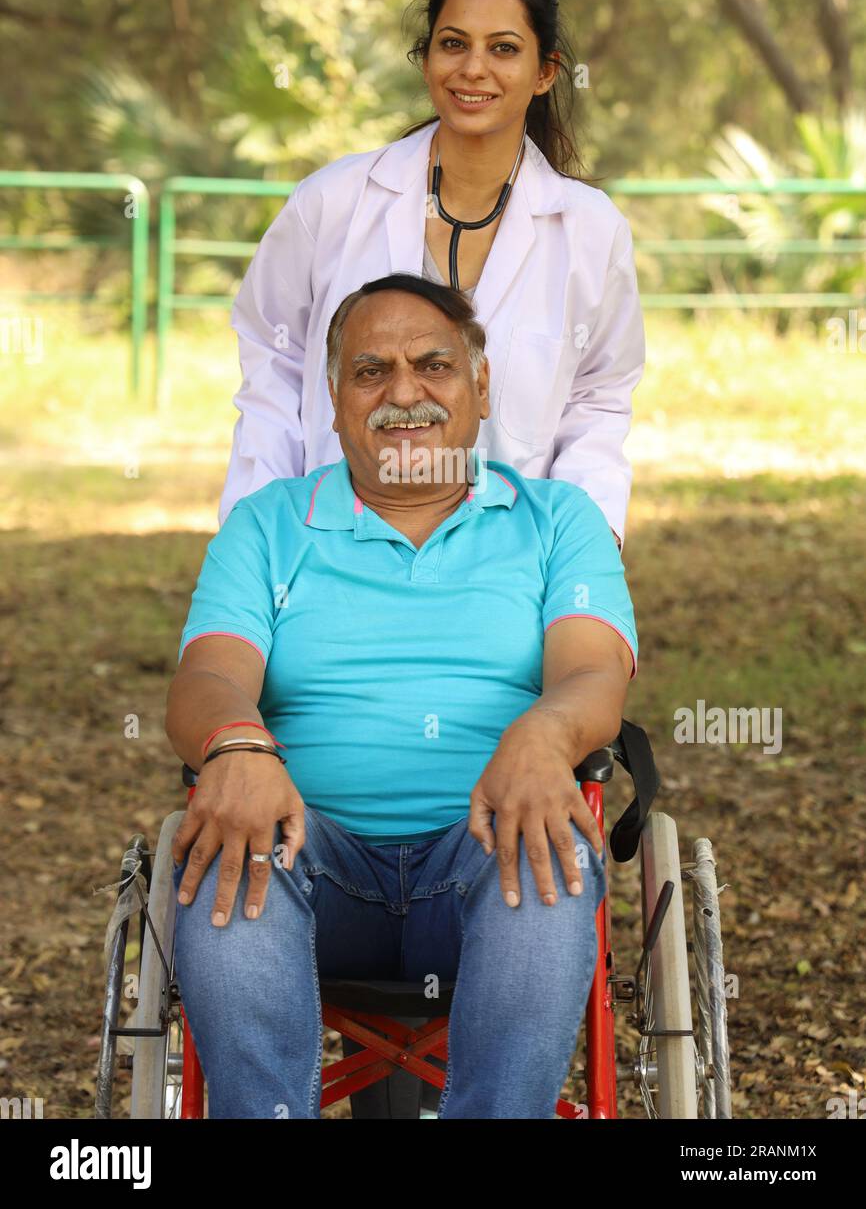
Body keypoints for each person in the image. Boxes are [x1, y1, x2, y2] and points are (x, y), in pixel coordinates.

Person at [166, 277, 638, 1119]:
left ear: (482, 386)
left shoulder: (557, 521)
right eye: (370, 371)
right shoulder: (268, 524)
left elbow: (591, 673)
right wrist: (237, 743)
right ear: (336, 401)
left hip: (487, 845)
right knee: (230, 863)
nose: (404, 393)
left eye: (433, 365)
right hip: (309, 850)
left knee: (549, 861)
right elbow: (208, 678)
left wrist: (544, 735)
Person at [218, 0, 644, 549]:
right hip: (333, 547)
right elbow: (271, 361)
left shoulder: (589, 230)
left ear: (546, 72)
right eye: (453, 44)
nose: (474, 68)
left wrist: (589, 543)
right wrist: (254, 531)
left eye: (503, 49)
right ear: (426, 60)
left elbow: (599, 398)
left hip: (508, 562)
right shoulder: (331, 202)